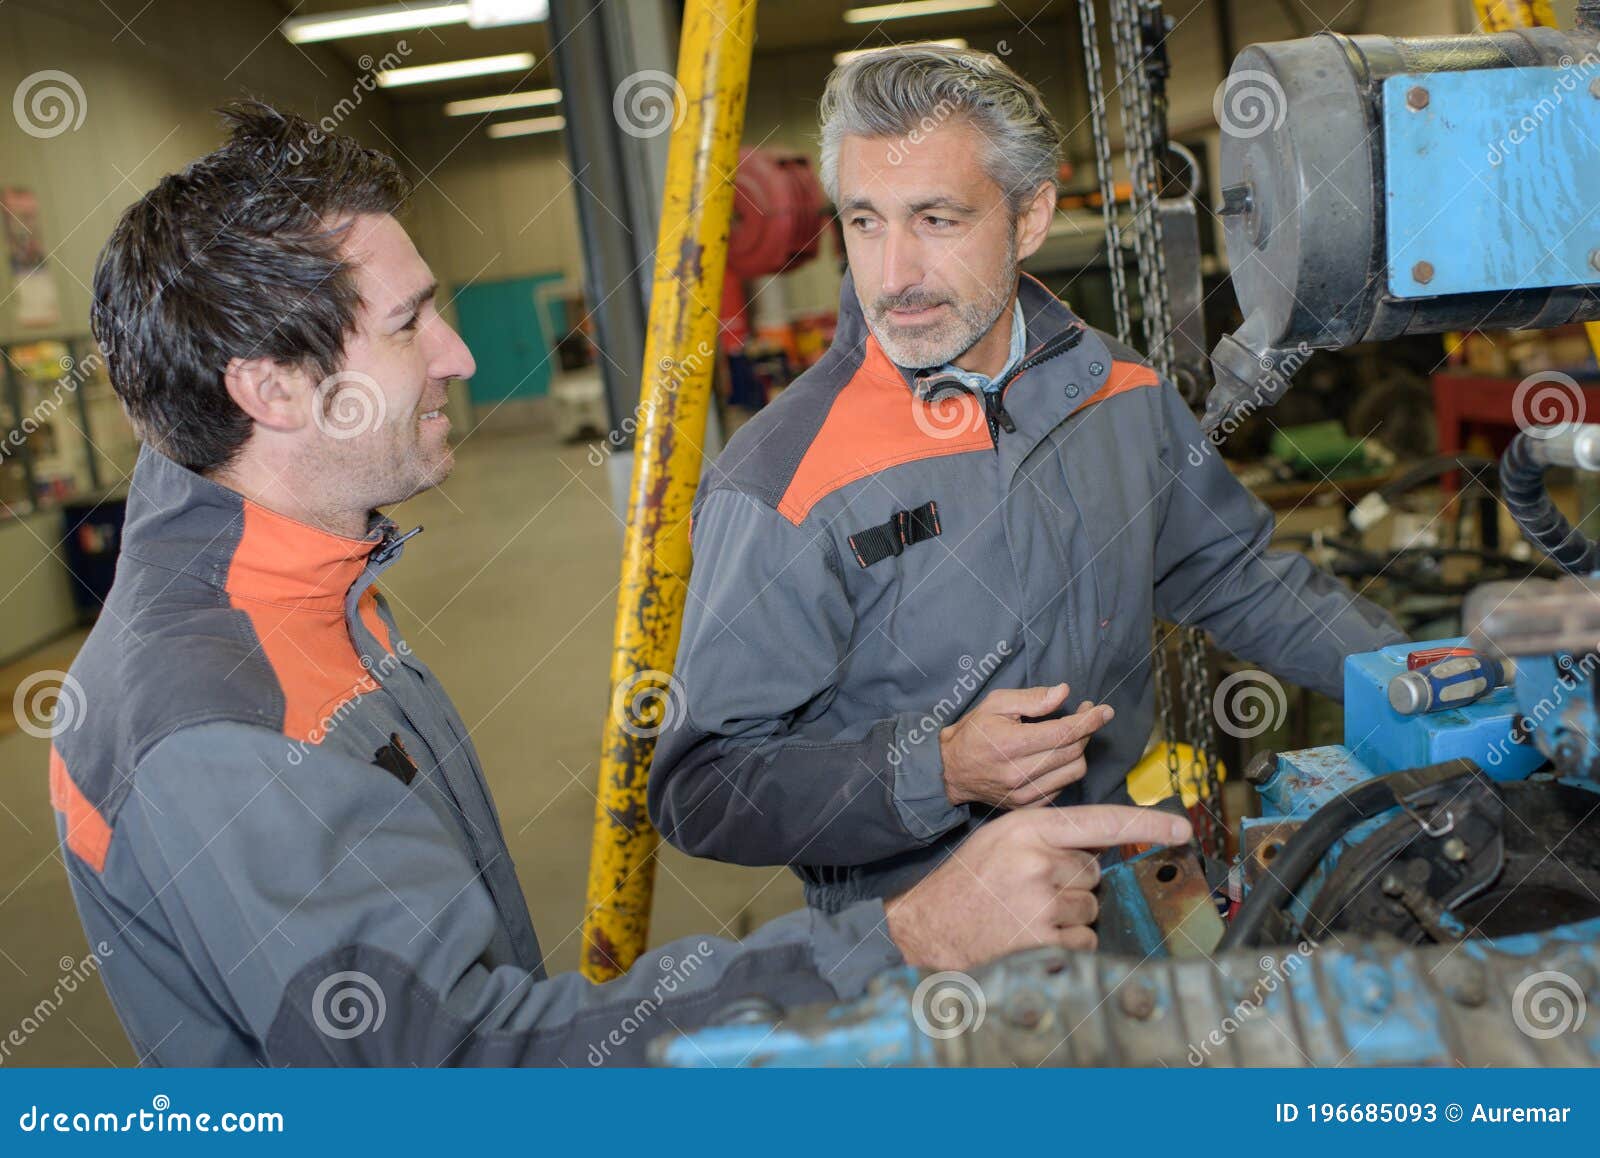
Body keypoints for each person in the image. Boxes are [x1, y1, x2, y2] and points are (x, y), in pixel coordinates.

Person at [48, 101, 1190, 1067]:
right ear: (270, 390)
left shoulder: (299, 585)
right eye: (408, 325)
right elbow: (461, 1069)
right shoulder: (221, 723)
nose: (458, 356)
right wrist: (905, 938)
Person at [649, 46, 1404, 914]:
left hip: (1117, 886)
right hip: (913, 938)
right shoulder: (785, 479)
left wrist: (1412, 675)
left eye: (936, 220)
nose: (892, 275)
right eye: (864, 222)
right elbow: (702, 787)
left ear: (1030, 216)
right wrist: (939, 769)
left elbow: (1234, 575)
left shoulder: (1120, 394)